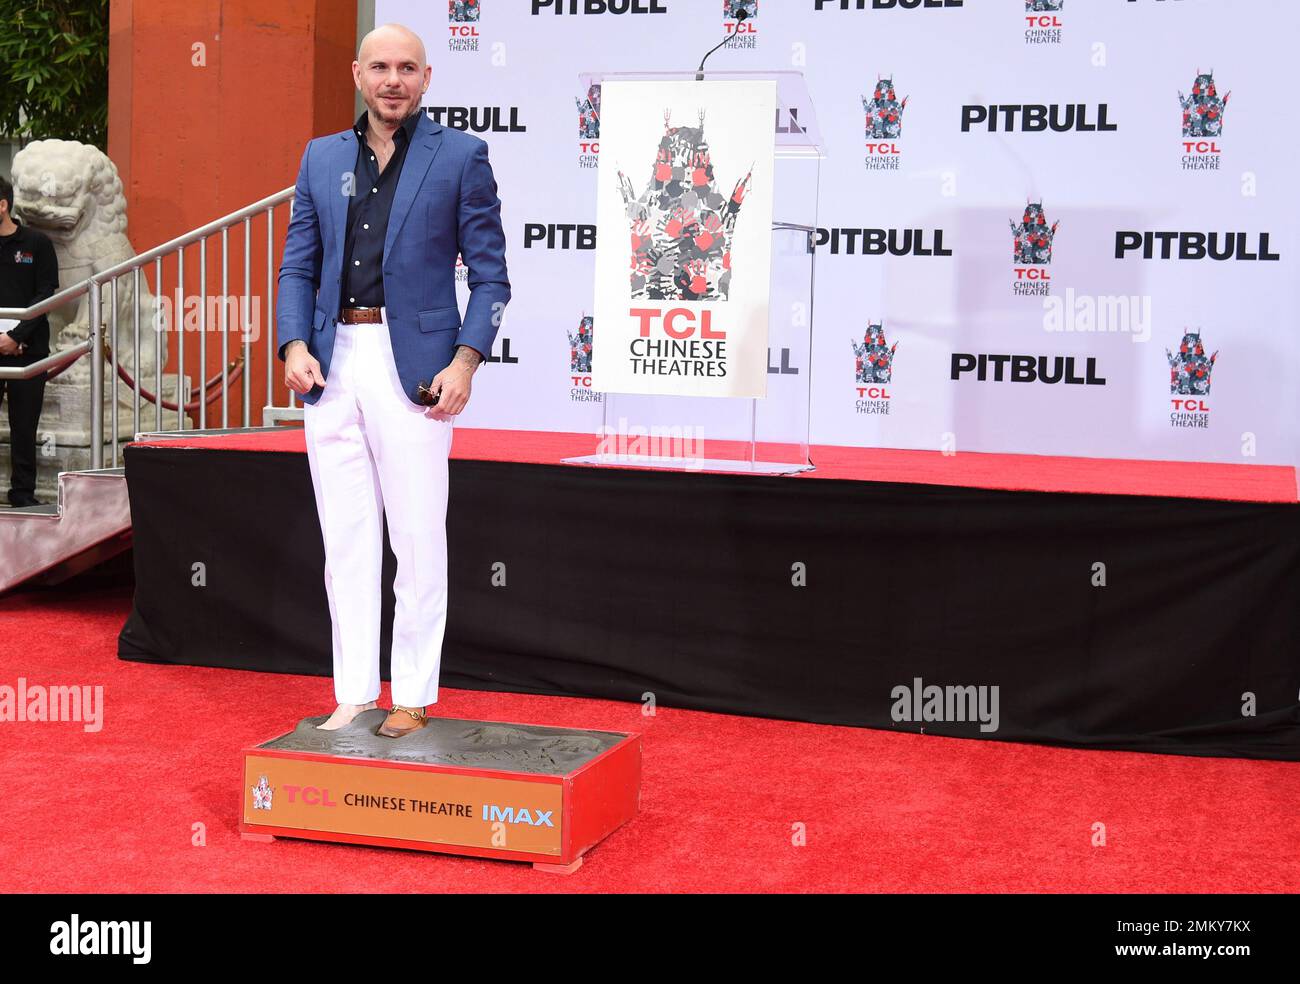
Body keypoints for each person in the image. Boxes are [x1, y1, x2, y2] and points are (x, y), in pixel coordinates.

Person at [277, 23, 510, 738]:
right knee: (345, 538)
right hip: (330, 362)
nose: (393, 80)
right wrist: (291, 344)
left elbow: (493, 277)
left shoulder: (462, 157)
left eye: (407, 68)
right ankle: (353, 690)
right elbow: (298, 266)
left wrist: (464, 361)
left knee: (415, 537)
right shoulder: (321, 158)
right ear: (357, 72)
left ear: (427, 77)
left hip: (414, 371)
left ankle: (410, 692)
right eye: (380, 66)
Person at [0, 174, 59, 508]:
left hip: (28, 352)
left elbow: (45, 293)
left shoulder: (37, 243)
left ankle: (22, 495)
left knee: (24, 429)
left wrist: (16, 337)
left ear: (3, 205)